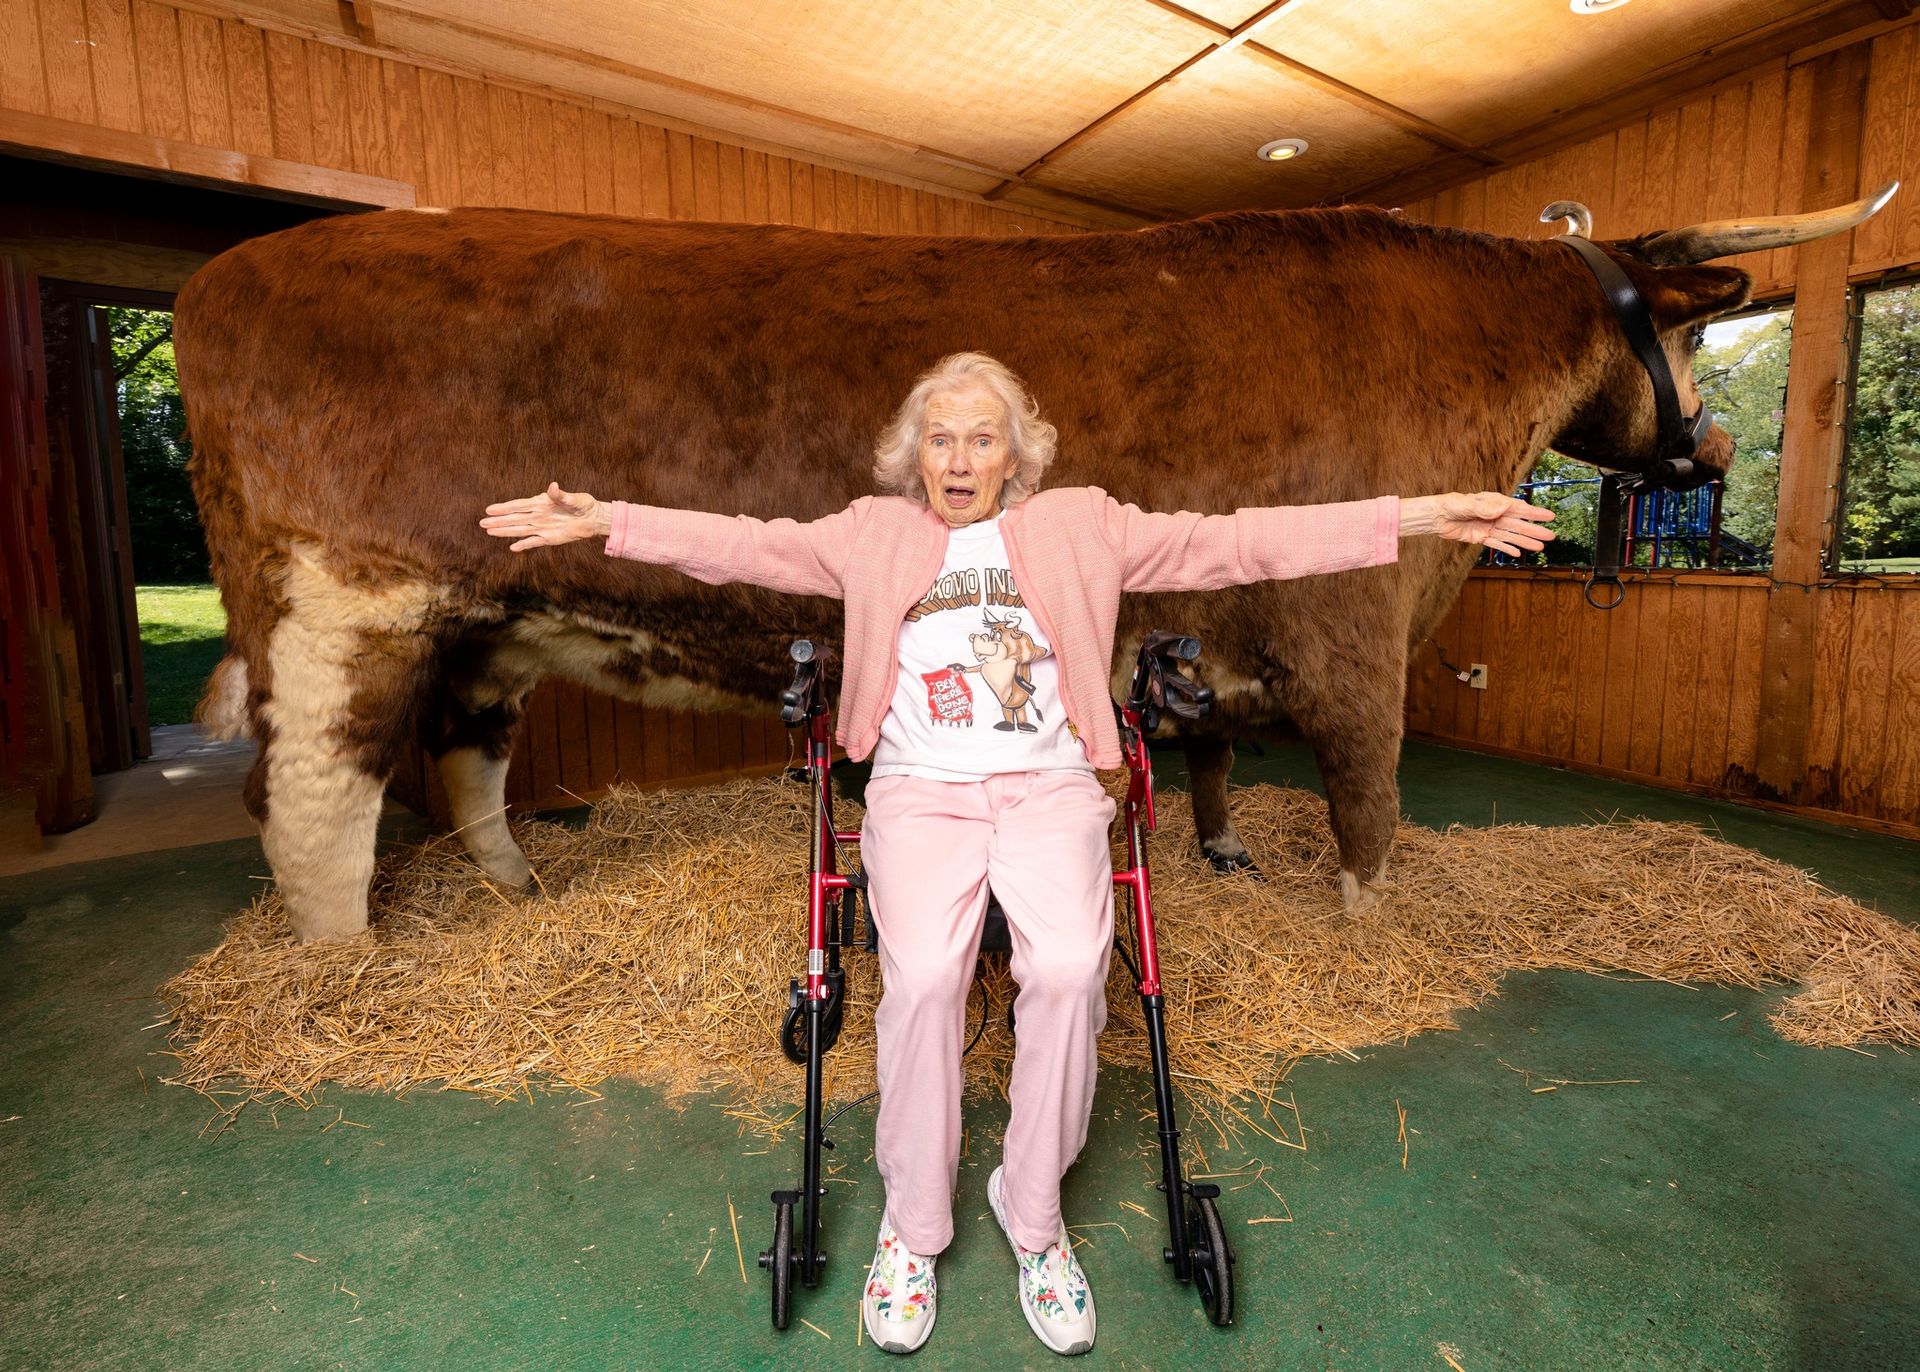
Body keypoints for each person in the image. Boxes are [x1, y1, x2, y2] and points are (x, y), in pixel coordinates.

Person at [481, 352, 1553, 1356]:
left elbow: (1244, 539)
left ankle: (1032, 1215)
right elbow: (744, 543)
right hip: (918, 788)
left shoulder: (1084, 523)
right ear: (915, 456)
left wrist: (1425, 513)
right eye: (939, 440)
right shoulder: (870, 532)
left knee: (1073, 970)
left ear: (1017, 453)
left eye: (980, 439)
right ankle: (915, 1225)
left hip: (1050, 790)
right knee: (930, 977)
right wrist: (604, 521)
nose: (957, 460)